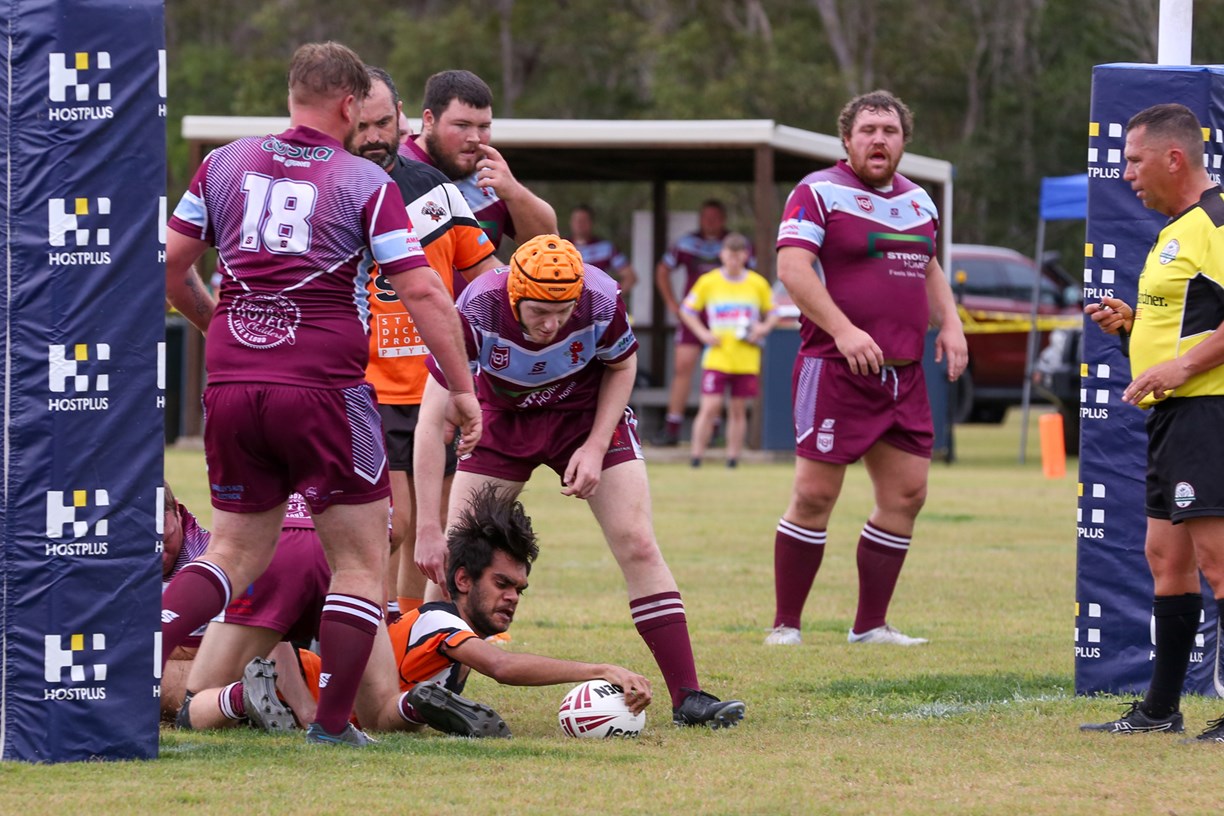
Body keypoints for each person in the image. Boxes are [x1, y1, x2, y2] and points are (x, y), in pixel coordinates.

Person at [161, 41, 481, 748]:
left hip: (233, 387)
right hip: (328, 392)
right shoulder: (364, 182)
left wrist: (223, 325)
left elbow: (173, 266)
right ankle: (332, 727)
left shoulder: (222, 163)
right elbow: (424, 289)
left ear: (290, 97)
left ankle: (144, 650)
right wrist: (461, 388)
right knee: (363, 560)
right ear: (348, 105)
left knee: (234, 553)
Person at [413, 235, 746, 729]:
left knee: (637, 541)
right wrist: (426, 525)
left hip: (583, 415)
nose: (552, 325)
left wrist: (594, 445)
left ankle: (689, 696)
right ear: (513, 295)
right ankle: (433, 691)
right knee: (453, 558)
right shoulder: (474, 309)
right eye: (539, 313)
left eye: (563, 312)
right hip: (502, 421)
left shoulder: (602, 297)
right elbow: (427, 422)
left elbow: (622, 364)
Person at [766, 89, 967, 648]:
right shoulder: (818, 191)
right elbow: (793, 268)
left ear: (904, 141)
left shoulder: (920, 202)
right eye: (868, 130)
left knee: (907, 496)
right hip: (835, 366)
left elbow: (929, 267)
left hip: (904, 375)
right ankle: (786, 626)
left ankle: (870, 626)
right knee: (814, 496)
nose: (879, 139)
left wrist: (950, 322)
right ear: (847, 140)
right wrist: (845, 330)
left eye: (890, 131)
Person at [1080, 103, 1224, 742]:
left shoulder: (1216, 221)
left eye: (1134, 161)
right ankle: (1161, 711)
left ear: (1175, 158)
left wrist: (1180, 368)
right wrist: (1133, 327)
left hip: (1208, 411)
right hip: (1174, 418)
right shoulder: (1177, 229)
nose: (1127, 174)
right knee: (1166, 557)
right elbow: (1190, 319)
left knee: (1219, 561)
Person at [353, 66, 501, 618]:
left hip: (436, 388)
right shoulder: (330, 193)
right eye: (363, 124)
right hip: (365, 389)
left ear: (404, 120)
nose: (374, 136)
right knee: (395, 524)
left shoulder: (436, 193)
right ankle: (370, 634)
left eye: (384, 122)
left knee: (434, 529)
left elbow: (490, 278)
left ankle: (413, 636)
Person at [350, 482, 652, 737]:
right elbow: (502, 667)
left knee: (397, 720)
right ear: (464, 579)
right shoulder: (438, 619)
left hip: (367, 713)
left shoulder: (454, 634)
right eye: (502, 584)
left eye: (519, 589)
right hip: (317, 697)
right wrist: (601, 670)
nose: (513, 597)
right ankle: (413, 705)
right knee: (387, 719)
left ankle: (414, 706)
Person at [402, 69, 556, 265]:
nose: (475, 138)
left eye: (483, 127)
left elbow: (548, 244)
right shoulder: (396, 169)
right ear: (429, 119)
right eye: (462, 125)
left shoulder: (490, 177)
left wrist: (514, 192)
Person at [653, 199, 750, 446]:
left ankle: (714, 429)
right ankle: (672, 427)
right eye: (706, 217)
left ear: (724, 219)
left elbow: (753, 278)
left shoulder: (735, 245)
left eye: (715, 217)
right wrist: (673, 304)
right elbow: (662, 269)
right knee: (683, 367)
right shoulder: (686, 242)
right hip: (693, 315)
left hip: (725, 318)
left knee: (722, 372)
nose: (710, 222)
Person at [678, 232, 778, 468]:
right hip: (717, 356)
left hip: (746, 357)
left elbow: (774, 311)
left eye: (738, 256)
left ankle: (733, 458)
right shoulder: (709, 281)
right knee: (710, 406)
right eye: (729, 256)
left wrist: (762, 328)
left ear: (745, 256)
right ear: (722, 255)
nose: (733, 261)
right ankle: (696, 456)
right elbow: (687, 309)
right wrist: (702, 333)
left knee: (738, 409)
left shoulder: (757, 283)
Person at [567, 203, 638, 298]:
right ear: (571, 222)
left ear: (592, 223)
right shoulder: (562, 247)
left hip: (597, 308)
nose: (580, 223)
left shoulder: (606, 248)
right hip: (568, 305)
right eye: (576, 220)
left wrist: (612, 299)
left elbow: (630, 277)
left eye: (584, 220)